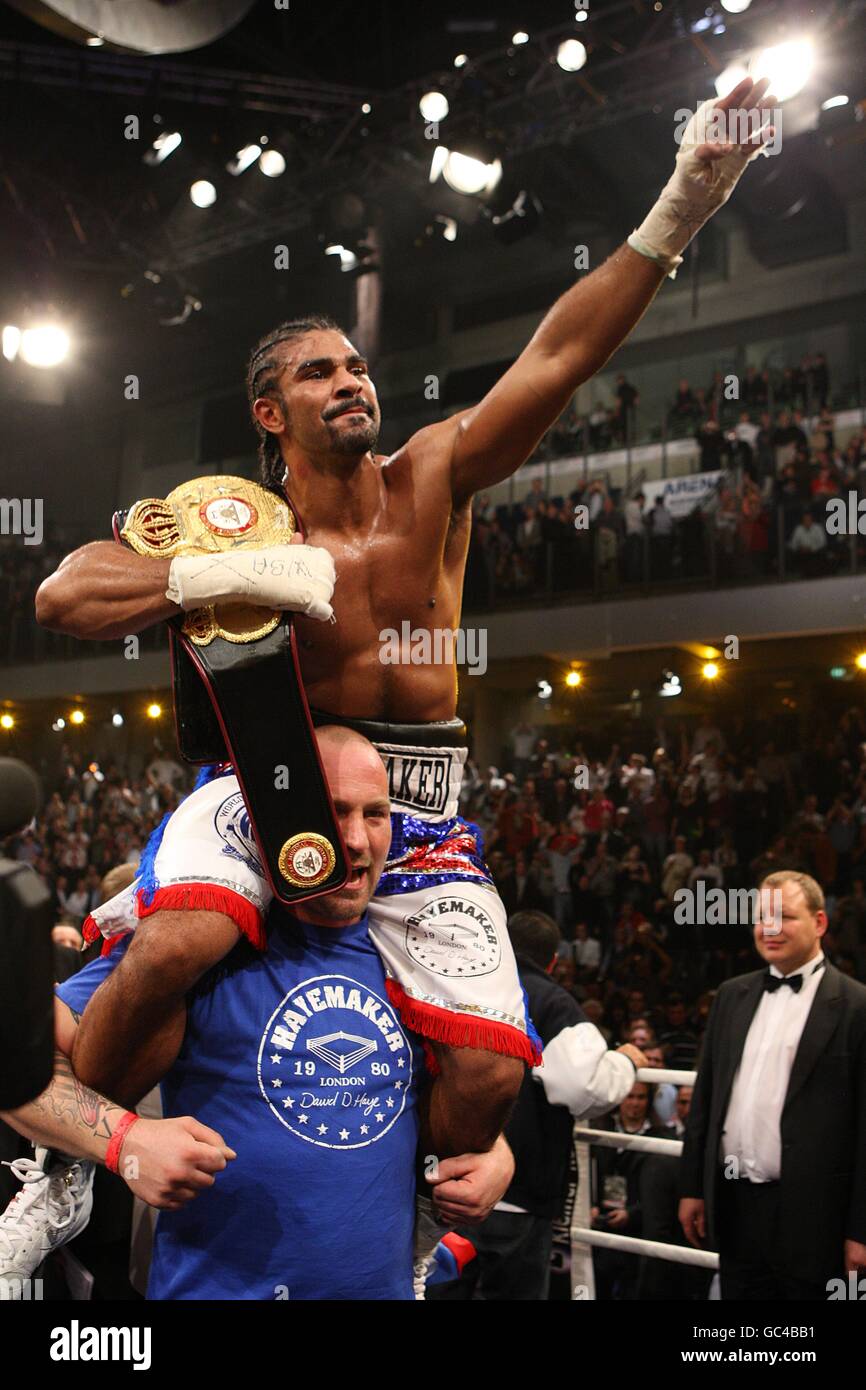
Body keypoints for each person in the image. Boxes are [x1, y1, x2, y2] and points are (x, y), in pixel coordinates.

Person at [34, 69, 776, 1205]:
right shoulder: (234, 519)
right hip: (266, 783)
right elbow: (64, 597)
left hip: (416, 808)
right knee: (176, 949)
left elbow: (558, 358)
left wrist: (683, 198)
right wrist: (223, 569)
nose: (350, 381)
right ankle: (72, 1162)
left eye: (356, 364)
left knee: (485, 1065)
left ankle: (413, 1228)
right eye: (317, 372)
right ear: (269, 413)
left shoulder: (433, 474)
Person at [1, 728, 516, 1300]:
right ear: (282, 818)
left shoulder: (418, 961)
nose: (355, 839)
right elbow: (14, 1070)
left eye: (376, 814)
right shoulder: (202, 943)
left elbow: (421, 1103)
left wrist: (495, 1152)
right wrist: (124, 1140)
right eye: (333, 811)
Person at [678, 870, 866, 1299]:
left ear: (820, 923)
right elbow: (706, 1100)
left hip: (819, 1215)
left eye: (785, 916)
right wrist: (692, 1186)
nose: (770, 928)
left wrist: (861, 1229)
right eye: (762, 916)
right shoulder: (731, 995)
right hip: (736, 1206)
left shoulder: (857, 1007)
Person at [436, 911, 642, 1300]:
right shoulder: (551, 1001)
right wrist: (626, 1062)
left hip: (450, 1189)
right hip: (518, 1196)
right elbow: (584, 1086)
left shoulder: (460, 985)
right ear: (552, 961)